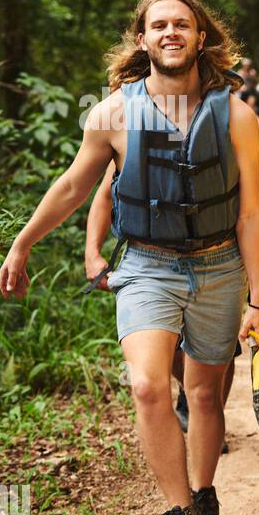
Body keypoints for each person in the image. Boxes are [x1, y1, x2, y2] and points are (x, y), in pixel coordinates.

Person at [0, 0, 259, 515]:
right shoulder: (113, 114)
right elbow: (73, 187)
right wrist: (23, 243)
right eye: (158, 25)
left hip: (219, 264)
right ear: (142, 40)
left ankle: (205, 501)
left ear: (201, 37)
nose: (170, 33)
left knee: (203, 395)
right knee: (149, 387)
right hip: (146, 264)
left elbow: (250, 212)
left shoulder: (237, 116)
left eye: (182, 24)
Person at [84, 165, 237, 455]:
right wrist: (92, 252)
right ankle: (193, 404)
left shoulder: (219, 122)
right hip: (152, 265)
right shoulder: (134, 127)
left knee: (219, 360)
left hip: (215, 259)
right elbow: (105, 193)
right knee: (167, 349)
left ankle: (207, 414)